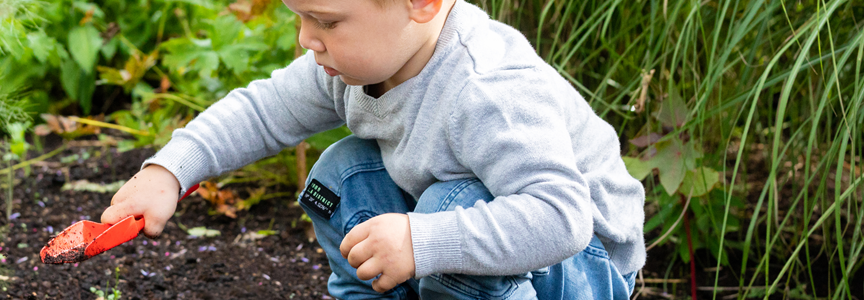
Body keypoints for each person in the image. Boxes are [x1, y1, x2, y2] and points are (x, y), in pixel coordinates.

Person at [99, 0, 645, 298]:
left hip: (579, 269)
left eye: (327, 21)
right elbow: (263, 111)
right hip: (478, 244)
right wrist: (169, 171)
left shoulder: (487, 88)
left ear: (422, 4)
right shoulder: (353, 63)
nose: (307, 39)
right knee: (341, 175)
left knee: (447, 208)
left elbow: (560, 218)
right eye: (300, 16)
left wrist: (422, 240)